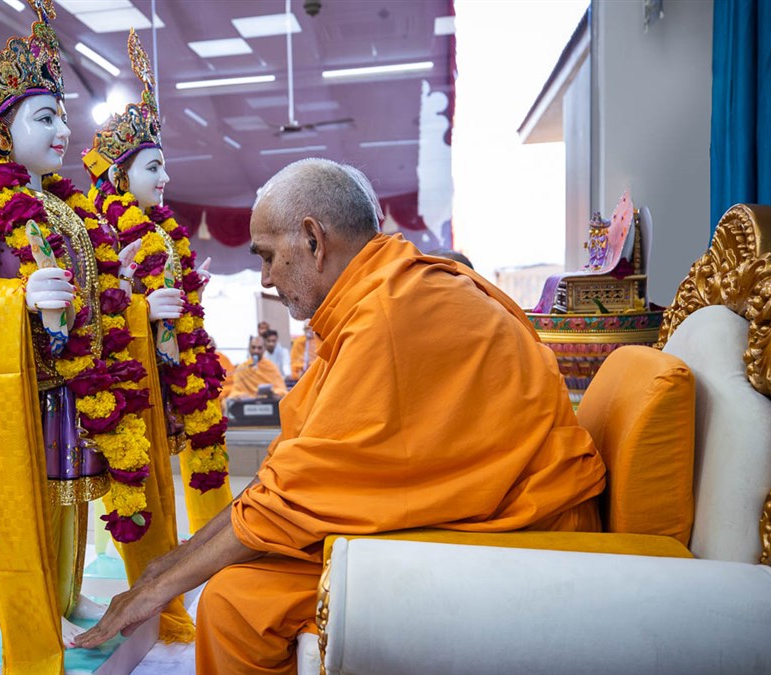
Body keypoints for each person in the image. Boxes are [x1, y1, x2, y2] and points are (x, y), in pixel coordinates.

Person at [74, 158, 607, 674]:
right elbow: (287, 473)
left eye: (267, 256)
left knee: (239, 605)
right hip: (476, 506)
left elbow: (293, 494)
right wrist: (169, 564)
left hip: (520, 526)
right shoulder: (377, 298)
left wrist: (161, 587)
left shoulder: (392, 313)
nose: (264, 279)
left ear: (313, 239)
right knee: (239, 590)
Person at [0, 2, 182, 666]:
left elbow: (94, 297)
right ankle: (35, 607)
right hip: (21, 390)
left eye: (64, 116)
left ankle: (66, 597)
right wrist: (18, 296)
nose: (64, 129)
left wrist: (126, 291)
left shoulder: (68, 211)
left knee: (72, 503)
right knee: (32, 509)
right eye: (45, 117)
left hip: (75, 386)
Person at [84, 29, 232, 545]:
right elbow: (91, 312)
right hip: (124, 373)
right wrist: (140, 310)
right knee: (129, 469)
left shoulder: (160, 228)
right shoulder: (99, 229)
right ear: (119, 178)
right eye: (154, 167)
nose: (165, 177)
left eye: (164, 164)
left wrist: (190, 293)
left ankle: (200, 546)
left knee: (177, 452)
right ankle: (139, 560)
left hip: (166, 363)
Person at [226, 335, 288, 404]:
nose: (256, 351)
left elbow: (282, 389)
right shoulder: (242, 368)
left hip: (267, 402)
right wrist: (240, 395)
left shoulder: (272, 367)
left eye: (259, 348)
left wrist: (273, 393)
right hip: (246, 403)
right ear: (249, 349)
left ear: (264, 349)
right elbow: (235, 391)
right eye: (253, 347)